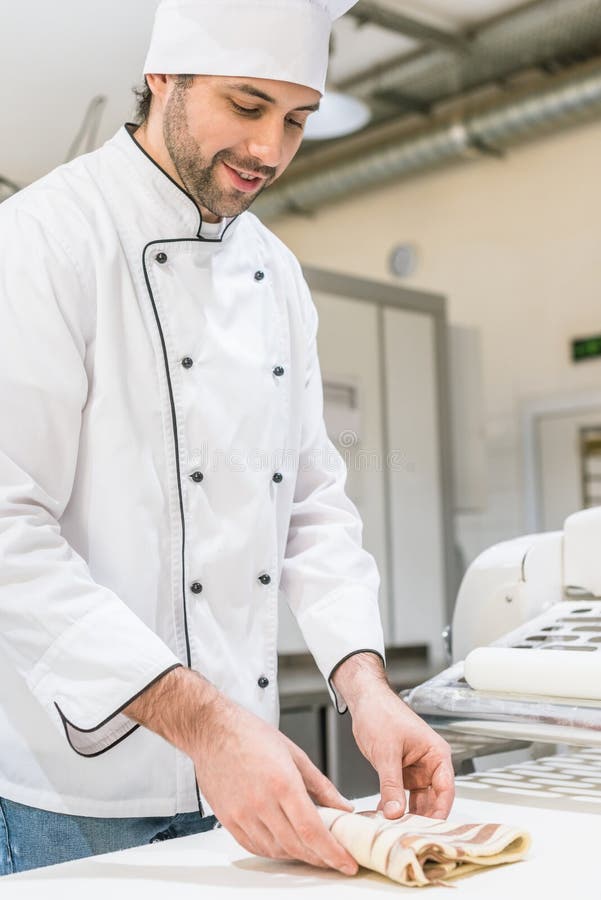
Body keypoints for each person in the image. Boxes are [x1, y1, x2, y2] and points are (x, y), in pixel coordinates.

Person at [0, 0, 454, 877]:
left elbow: (312, 502)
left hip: (239, 782)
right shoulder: (42, 240)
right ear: (162, 77)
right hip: (75, 791)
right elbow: (7, 530)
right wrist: (208, 727)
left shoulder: (275, 272)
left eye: (296, 120)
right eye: (246, 107)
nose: (270, 151)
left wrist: (365, 687)